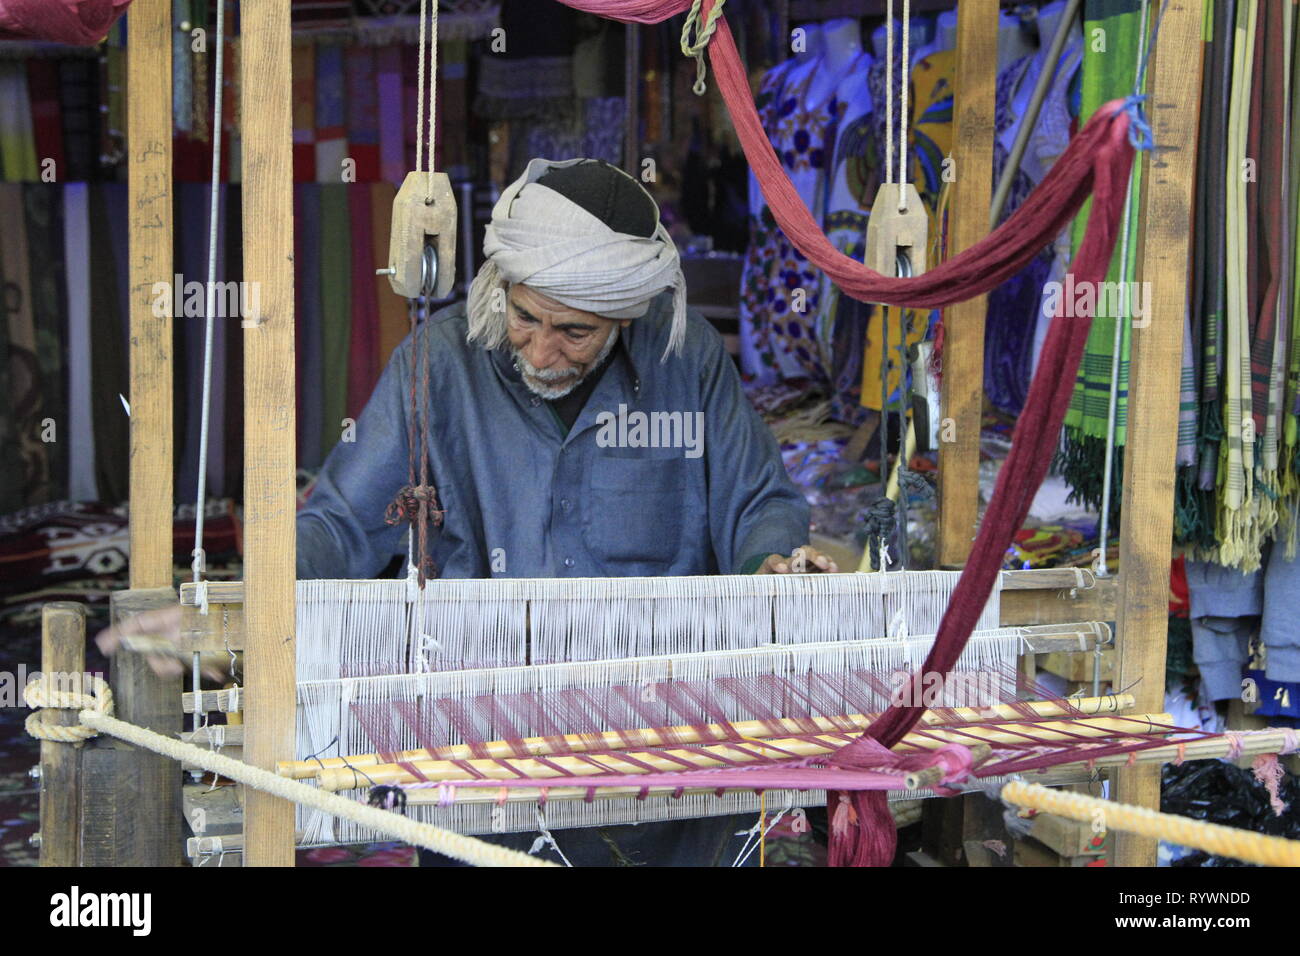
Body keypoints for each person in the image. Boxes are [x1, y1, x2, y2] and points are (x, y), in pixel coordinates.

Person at [99, 157, 838, 865]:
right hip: (485, 761)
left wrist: (776, 562)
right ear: (503, 284)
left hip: (666, 759)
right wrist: (245, 604)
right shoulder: (438, 366)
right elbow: (343, 524)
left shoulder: (688, 362)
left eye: (575, 332)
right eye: (525, 317)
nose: (542, 351)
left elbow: (760, 503)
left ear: (623, 317)